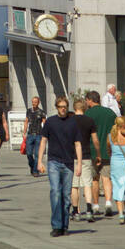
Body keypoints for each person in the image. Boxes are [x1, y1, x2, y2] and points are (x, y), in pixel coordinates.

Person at [37, 96, 82, 236]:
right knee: (55, 192)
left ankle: (64, 225)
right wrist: (39, 161)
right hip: (54, 162)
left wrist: (79, 163)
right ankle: (56, 225)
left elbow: (78, 144)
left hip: (68, 163)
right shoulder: (50, 122)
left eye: (65, 106)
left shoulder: (73, 122)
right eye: (60, 106)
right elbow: (44, 141)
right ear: (56, 107)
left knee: (66, 196)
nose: (63, 109)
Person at [69, 97, 102, 221]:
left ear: (74, 108)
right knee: (87, 184)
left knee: (75, 185)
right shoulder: (89, 121)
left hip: (72, 155)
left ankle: (75, 211)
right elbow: (95, 139)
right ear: (84, 108)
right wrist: (98, 153)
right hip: (86, 155)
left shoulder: (70, 121)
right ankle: (89, 209)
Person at [85, 90, 115, 217]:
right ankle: (108, 203)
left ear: (90, 100)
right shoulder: (110, 113)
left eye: (87, 100)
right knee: (106, 178)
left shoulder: (88, 114)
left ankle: (96, 205)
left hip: (92, 151)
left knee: (94, 179)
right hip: (108, 150)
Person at [23, 95, 46, 177]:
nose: (34, 103)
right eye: (33, 102)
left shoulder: (41, 112)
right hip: (30, 134)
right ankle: (32, 166)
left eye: (35, 102)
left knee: (37, 154)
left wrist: (46, 134)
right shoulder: (28, 111)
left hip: (39, 135)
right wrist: (24, 132)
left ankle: (35, 171)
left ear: (38, 103)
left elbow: (44, 123)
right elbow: (26, 121)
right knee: (29, 154)